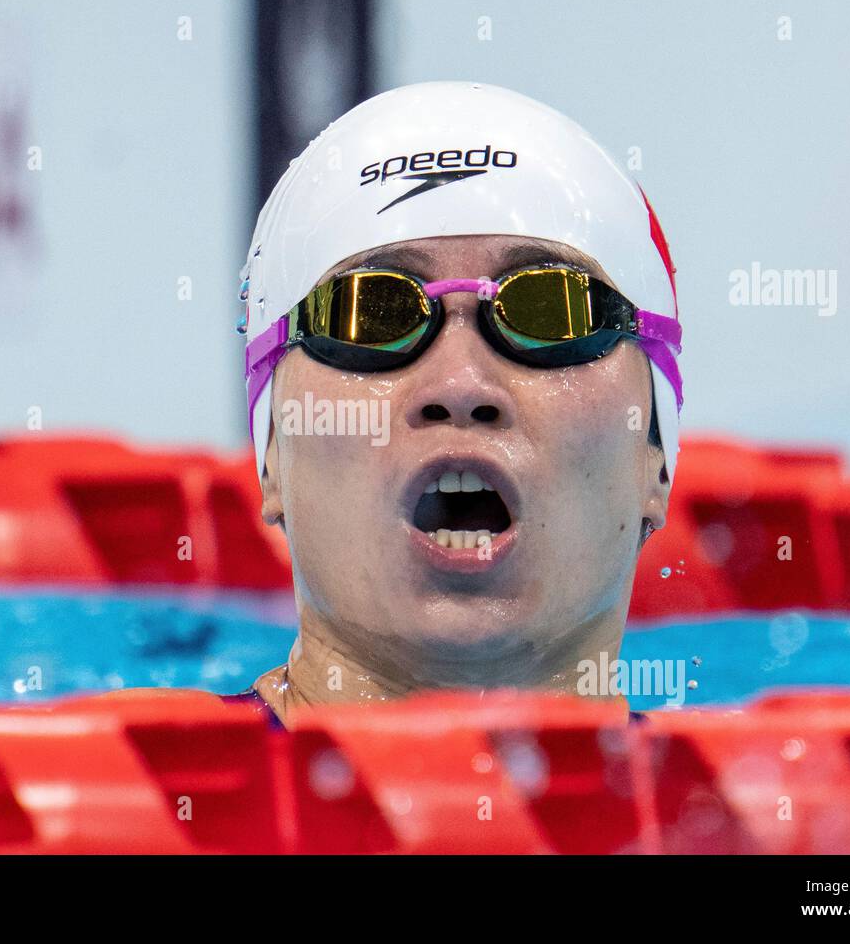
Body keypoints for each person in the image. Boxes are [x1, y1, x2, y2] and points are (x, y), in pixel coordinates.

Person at [220, 80, 682, 728]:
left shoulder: (778, 819)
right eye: (373, 316)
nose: (460, 387)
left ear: (656, 460)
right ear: (271, 453)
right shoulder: (113, 815)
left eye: (549, 311)